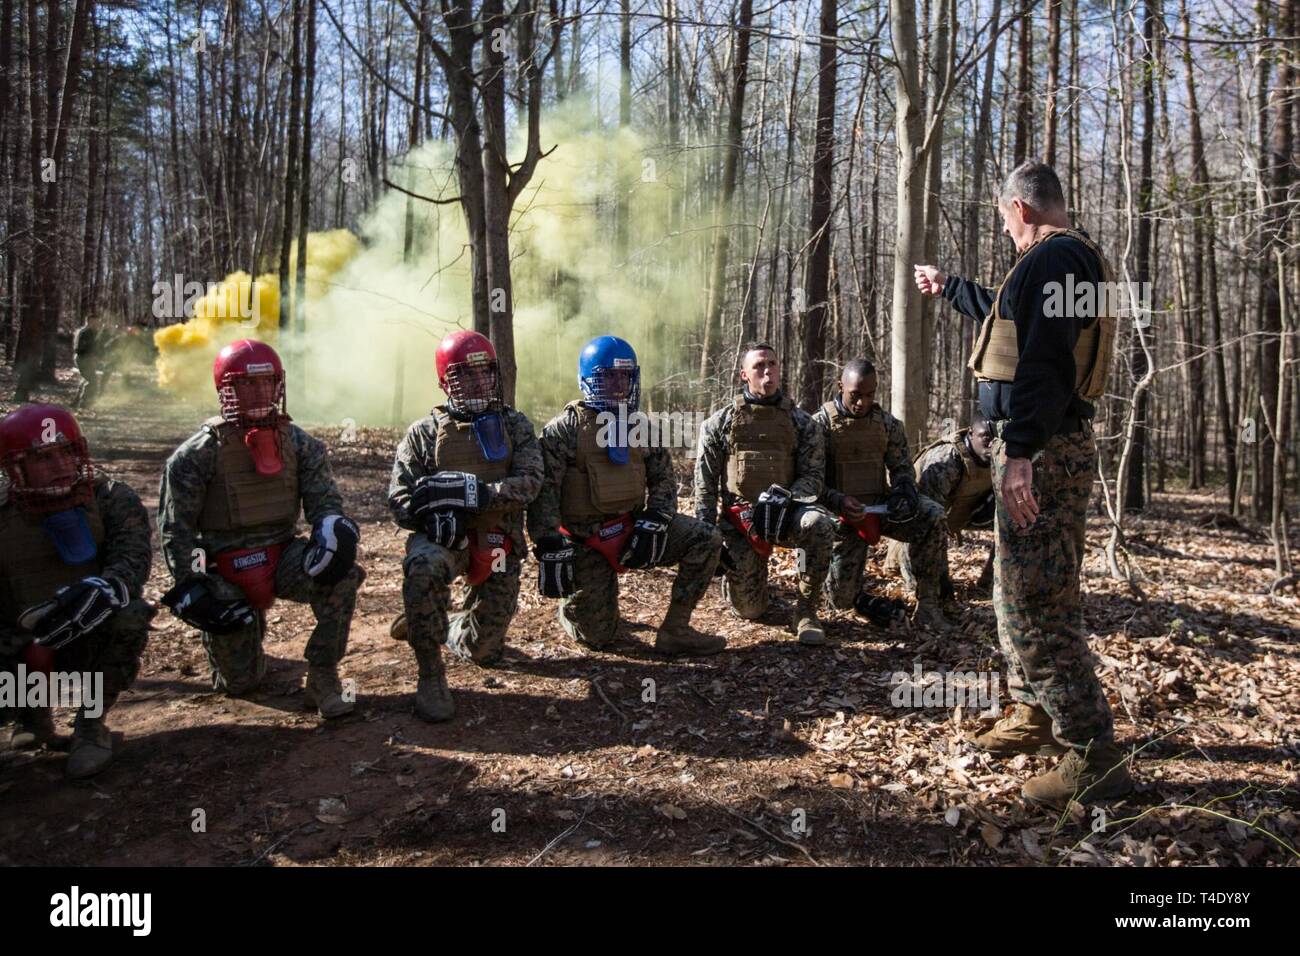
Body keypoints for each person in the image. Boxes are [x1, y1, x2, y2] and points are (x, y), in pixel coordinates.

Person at [915, 160, 1131, 806]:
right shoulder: (1066, 261)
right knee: (1019, 593)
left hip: (1045, 449)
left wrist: (1021, 453)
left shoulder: (1054, 260)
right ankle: (1036, 710)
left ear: (1021, 208)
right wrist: (951, 287)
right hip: (1047, 444)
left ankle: (1093, 755)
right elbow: (1008, 318)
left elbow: (1045, 360)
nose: (1006, 229)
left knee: (1040, 603)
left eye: (1005, 217)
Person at [157, 339, 364, 719]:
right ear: (226, 390)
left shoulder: (301, 445)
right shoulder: (195, 456)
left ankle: (322, 677)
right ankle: (245, 646)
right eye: (246, 384)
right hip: (223, 567)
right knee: (241, 684)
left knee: (343, 576)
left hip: (282, 555)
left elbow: (325, 505)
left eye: (267, 382)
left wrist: (333, 535)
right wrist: (188, 586)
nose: (259, 392)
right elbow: (177, 529)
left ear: (278, 386)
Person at [529, 335, 725, 656]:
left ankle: (676, 629)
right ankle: (575, 607)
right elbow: (544, 495)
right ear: (587, 380)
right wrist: (550, 544)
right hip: (584, 541)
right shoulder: (563, 430)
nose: (619, 384)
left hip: (633, 531)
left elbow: (663, 482)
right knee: (599, 636)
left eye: (626, 376)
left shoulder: (643, 427)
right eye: (609, 376)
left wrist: (655, 520)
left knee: (706, 539)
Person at [387, 330, 544, 722]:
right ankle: (431, 675)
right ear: (445, 382)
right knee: (422, 567)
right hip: (446, 539)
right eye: (464, 375)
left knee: (484, 651)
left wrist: (478, 493)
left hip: (497, 539)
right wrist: (430, 513)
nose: (478, 383)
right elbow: (399, 499)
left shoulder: (515, 425)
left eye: (484, 373)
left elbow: (532, 481)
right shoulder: (423, 434)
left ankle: (438, 622)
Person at [0, 403, 153, 777]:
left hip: (87, 633)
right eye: (44, 458)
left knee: (129, 616)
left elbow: (131, 559)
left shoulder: (111, 499)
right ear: (15, 468)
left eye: (67, 453)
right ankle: (30, 714)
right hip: (16, 642)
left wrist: (101, 589)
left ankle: (90, 724)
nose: (61, 466)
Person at [693, 342, 835, 645]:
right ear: (744, 374)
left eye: (772, 363)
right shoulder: (720, 424)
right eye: (758, 366)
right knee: (751, 611)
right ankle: (741, 582)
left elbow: (814, 477)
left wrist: (787, 498)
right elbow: (705, 485)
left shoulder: (802, 423)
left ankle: (806, 611)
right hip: (740, 521)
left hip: (788, 512)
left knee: (820, 524)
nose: (767, 370)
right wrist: (707, 538)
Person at [813, 360, 953, 631]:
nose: (862, 403)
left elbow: (902, 469)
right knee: (840, 601)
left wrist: (903, 492)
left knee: (932, 515)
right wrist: (838, 501)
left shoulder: (887, 424)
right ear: (840, 387)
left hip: (879, 506)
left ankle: (929, 605)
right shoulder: (819, 426)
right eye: (855, 395)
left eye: (869, 395)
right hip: (839, 516)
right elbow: (810, 482)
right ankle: (857, 597)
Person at [891, 414, 996, 597]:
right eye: (986, 437)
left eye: (996, 439)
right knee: (932, 588)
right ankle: (915, 584)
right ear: (971, 434)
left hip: (962, 513)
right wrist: (942, 577)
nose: (991, 444)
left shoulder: (1000, 455)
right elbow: (925, 519)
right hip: (916, 521)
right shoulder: (946, 460)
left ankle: (992, 582)